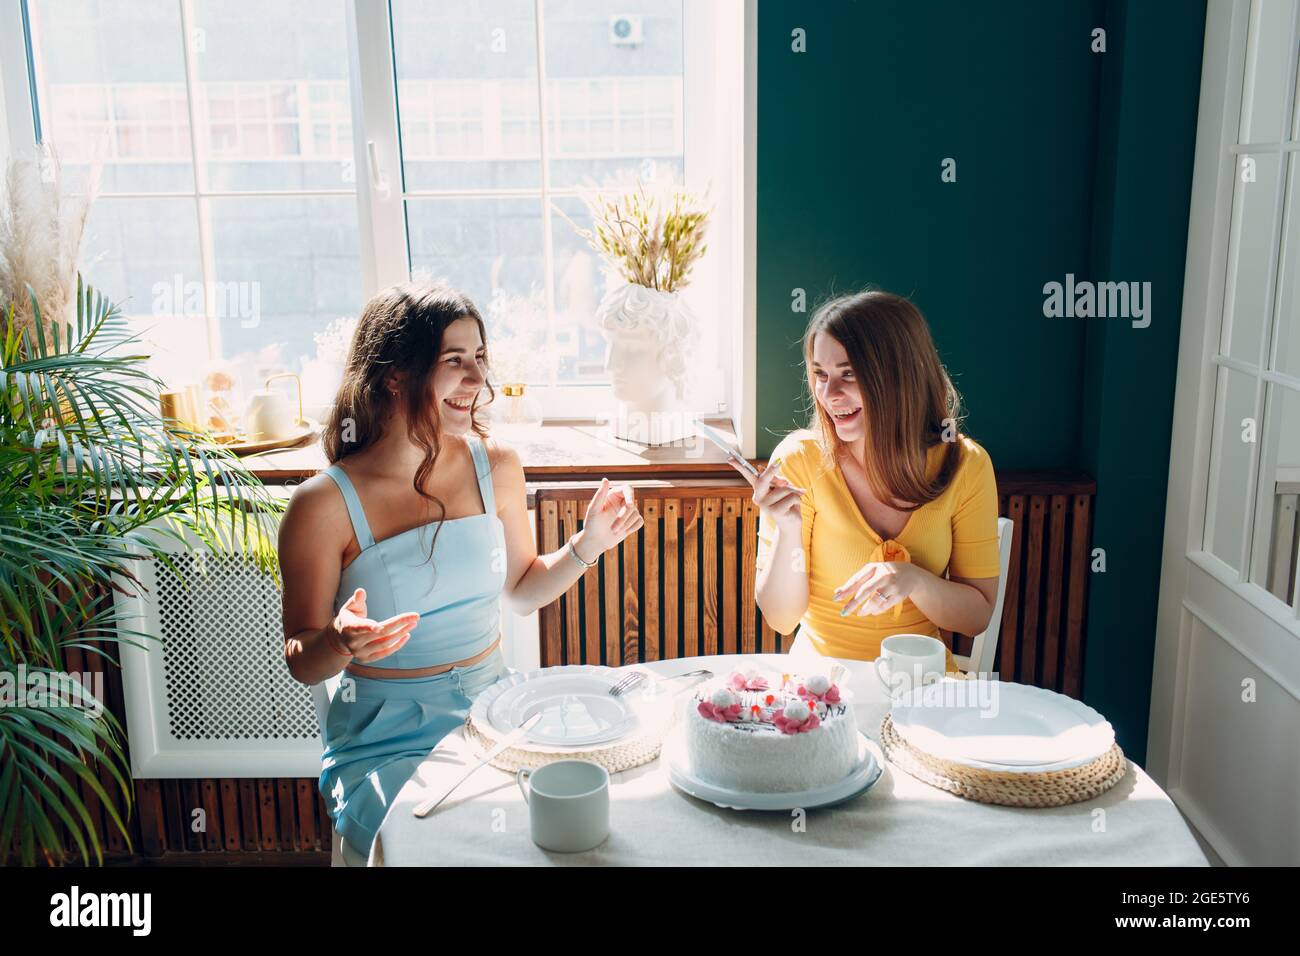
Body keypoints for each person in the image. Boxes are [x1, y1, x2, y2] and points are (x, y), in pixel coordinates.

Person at [278, 282, 642, 863]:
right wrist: (339, 643)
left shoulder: (496, 464)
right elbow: (302, 658)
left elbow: (523, 590)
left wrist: (587, 544)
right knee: (445, 849)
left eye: (480, 359)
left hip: (495, 714)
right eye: (454, 362)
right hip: (385, 738)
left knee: (575, 830)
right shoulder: (320, 505)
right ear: (395, 374)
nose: (478, 382)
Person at [735, 290, 1001, 673]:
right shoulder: (799, 460)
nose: (829, 395)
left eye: (849, 374)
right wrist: (789, 530)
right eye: (820, 375)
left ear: (901, 376)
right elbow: (781, 618)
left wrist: (915, 581)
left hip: (921, 685)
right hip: (820, 684)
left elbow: (976, 616)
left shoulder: (966, 465)